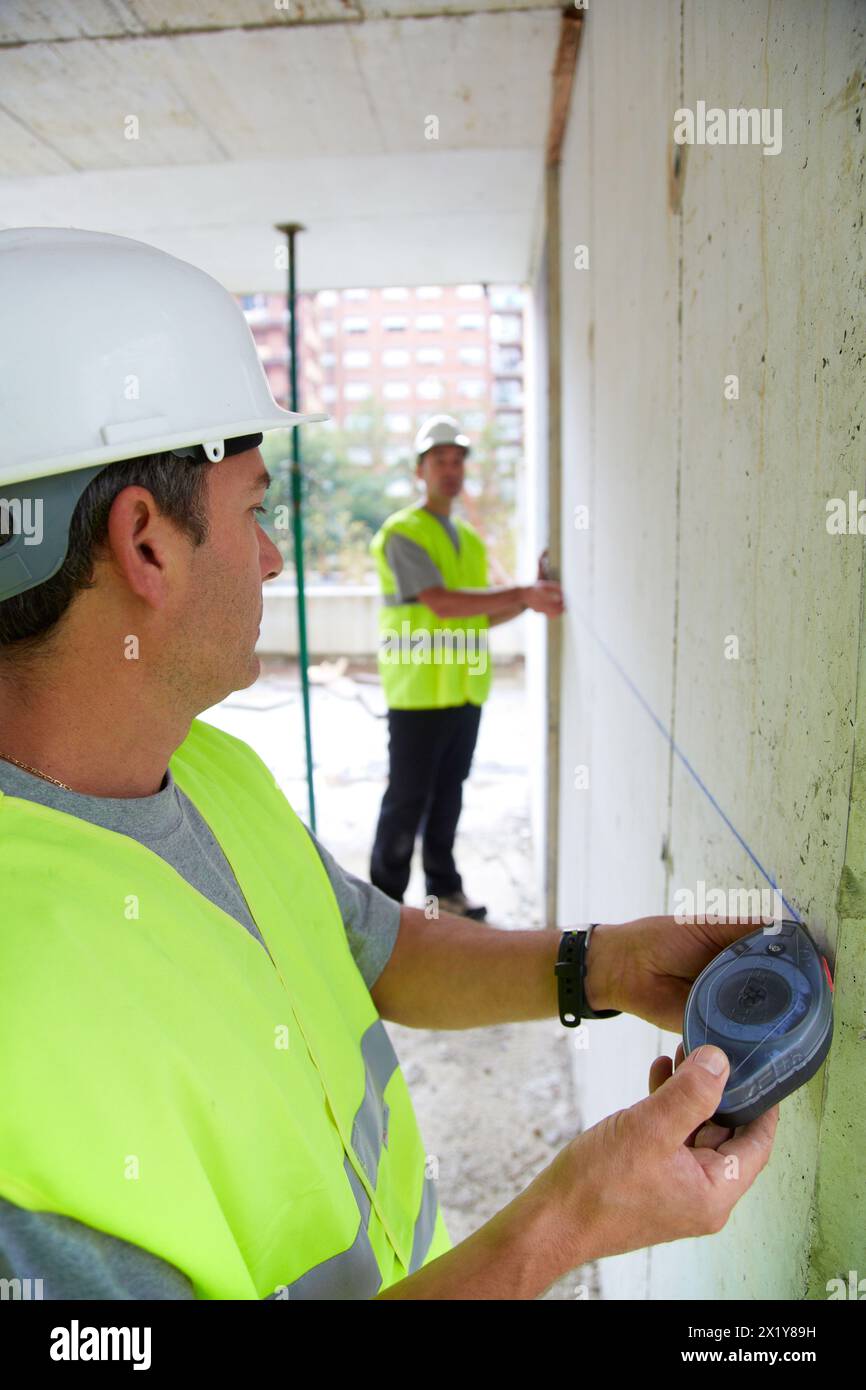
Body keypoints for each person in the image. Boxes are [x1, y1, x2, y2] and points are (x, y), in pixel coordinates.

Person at [0, 227, 777, 1301]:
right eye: (255, 511)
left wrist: (601, 964)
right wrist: (556, 1228)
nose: (271, 554)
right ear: (145, 544)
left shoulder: (214, 771)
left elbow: (379, 950)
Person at [369, 415, 565, 919]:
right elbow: (440, 603)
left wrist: (527, 600)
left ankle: (443, 893)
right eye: (439, 461)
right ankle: (383, 907)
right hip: (418, 693)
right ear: (420, 471)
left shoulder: (468, 540)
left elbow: (478, 612)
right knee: (407, 801)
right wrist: (522, 591)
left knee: (447, 797)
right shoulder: (402, 533)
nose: (450, 470)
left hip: (464, 692)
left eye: (457, 461)